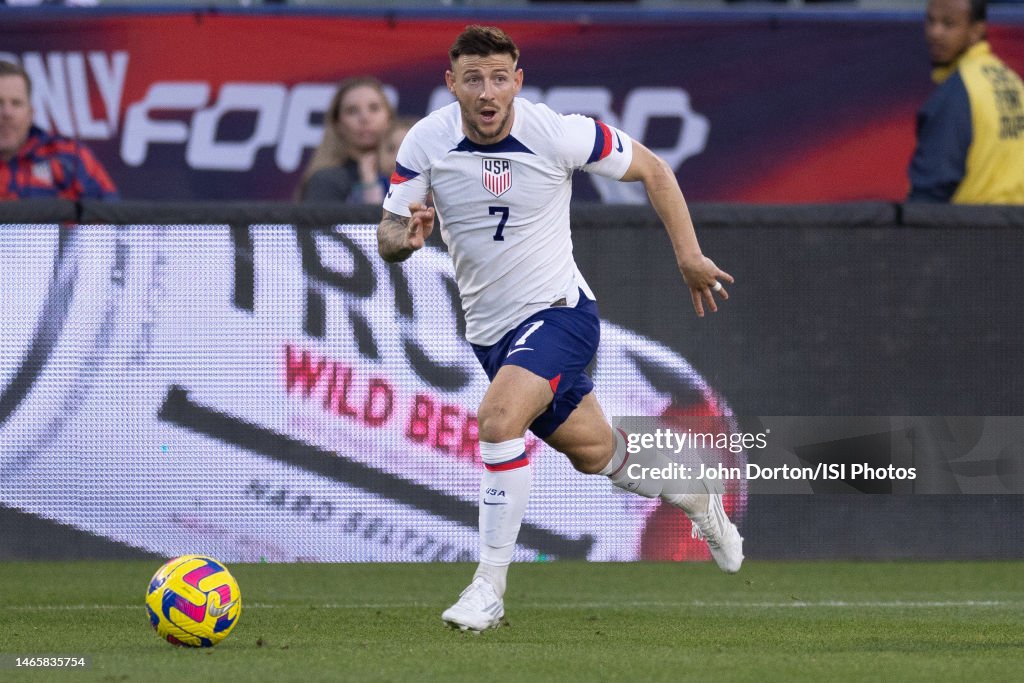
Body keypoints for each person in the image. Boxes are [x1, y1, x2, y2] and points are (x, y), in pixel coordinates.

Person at [377, 25, 743, 633]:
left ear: (517, 81)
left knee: (497, 422)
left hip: (559, 314)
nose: (488, 92)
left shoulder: (557, 132)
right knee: (598, 452)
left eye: (500, 78)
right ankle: (699, 497)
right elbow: (388, 235)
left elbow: (654, 169)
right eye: (474, 79)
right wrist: (405, 239)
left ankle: (486, 589)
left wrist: (688, 255)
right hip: (490, 336)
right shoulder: (426, 141)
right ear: (453, 85)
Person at [907, 0, 1024, 204]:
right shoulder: (1014, 83)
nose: (935, 33)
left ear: (976, 31)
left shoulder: (957, 95)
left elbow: (928, 198)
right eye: (931, 21)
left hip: (973, 232)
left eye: (948, 24)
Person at [0, 60, 118, 201]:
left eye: (16, 103)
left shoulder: (69, 156)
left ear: (31, 113)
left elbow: (110, 215)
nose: (7, 113)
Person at [297, 76, 394, 204]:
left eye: (374, 108)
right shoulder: (326, 181)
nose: (365, 118)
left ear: (389, 118)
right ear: (338, 124)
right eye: (352, 111)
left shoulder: (411, 176)